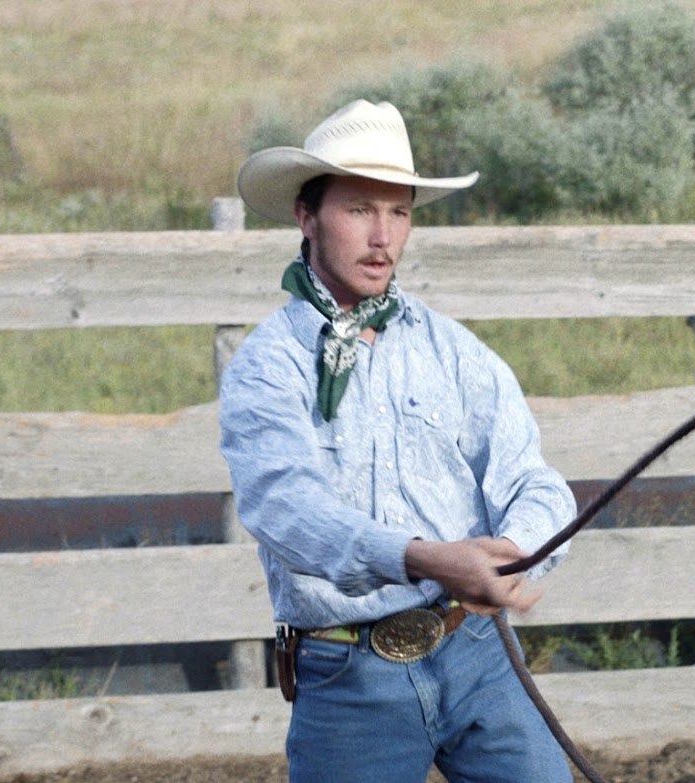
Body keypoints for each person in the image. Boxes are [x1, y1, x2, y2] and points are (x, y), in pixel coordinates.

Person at [220, 99, 576, 782]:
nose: (382, 236)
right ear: (306, 214)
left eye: (400, 212)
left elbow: (531, 478)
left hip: (475, 651)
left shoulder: (453, 349)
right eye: (359, 209)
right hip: (349, 672)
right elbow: (287, 511)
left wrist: (517, 549)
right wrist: (429, 558)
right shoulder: (270, 366)